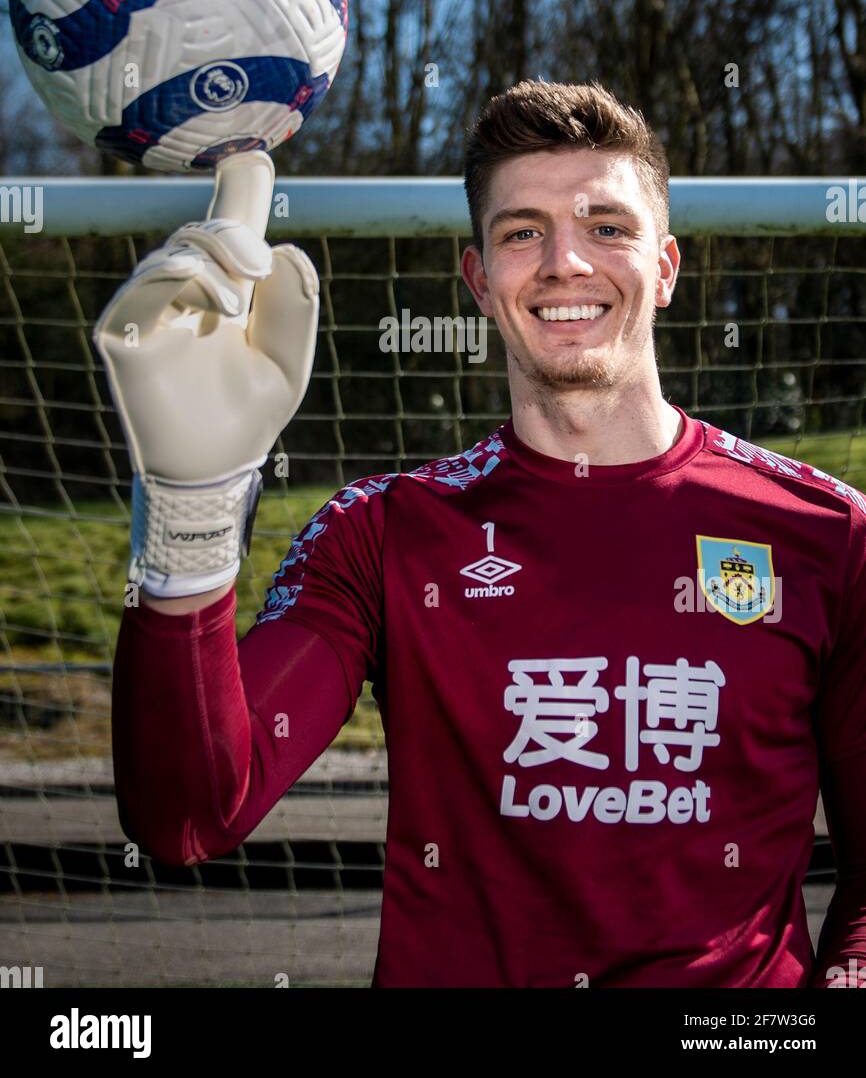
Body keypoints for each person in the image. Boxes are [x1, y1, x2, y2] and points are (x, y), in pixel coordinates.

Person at [101, 81, 866, 988]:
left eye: (607, 227)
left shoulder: (828, 535)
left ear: (664, 268)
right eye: (521, 232)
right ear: (478, 279)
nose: (565, 262)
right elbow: (189, 815)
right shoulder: (382, 534)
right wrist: (192, 505)